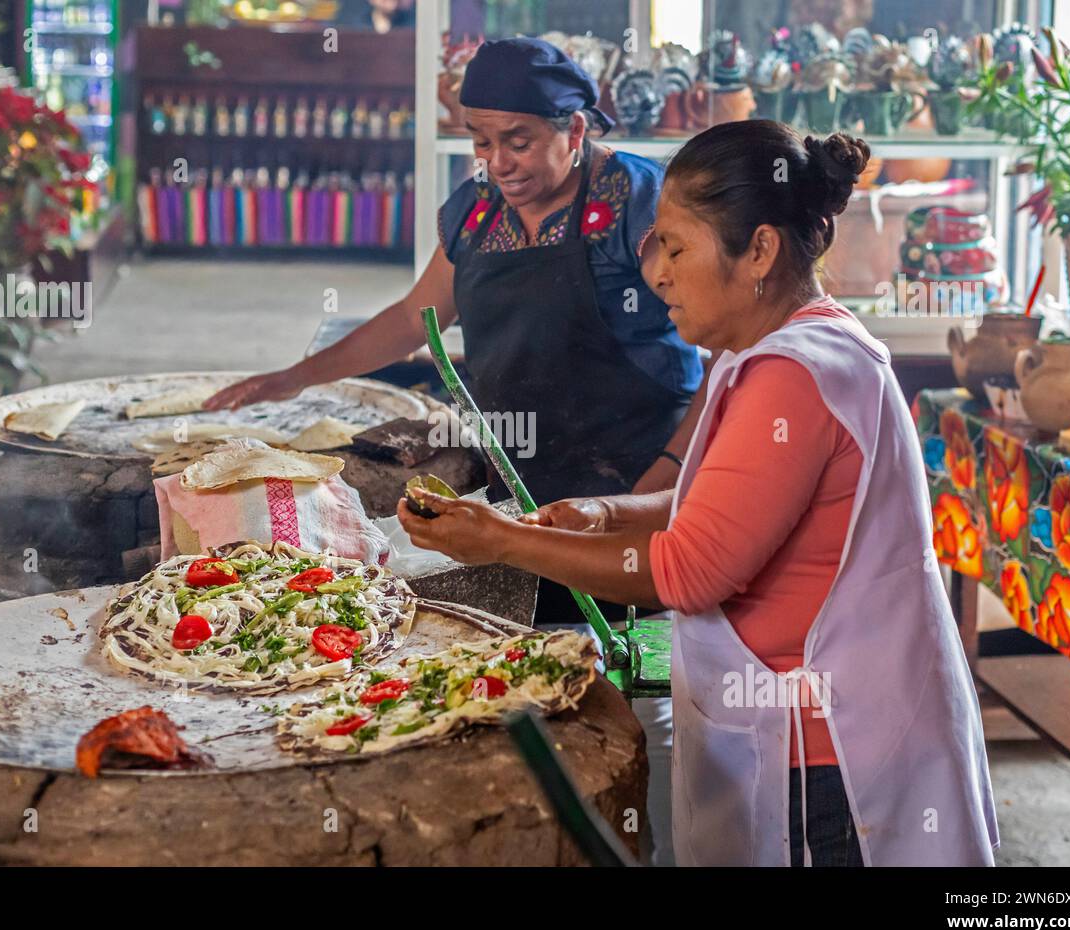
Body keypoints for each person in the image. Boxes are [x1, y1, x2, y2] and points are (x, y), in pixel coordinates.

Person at [395, 120, 999, 866]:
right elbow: (714, 504)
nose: (658, 274)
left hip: (829, 757)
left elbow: (688, 569)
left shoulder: (792, 377)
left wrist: (502, 541)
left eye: (677, 247)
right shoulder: (787, 349)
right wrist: (606, 512)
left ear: (761, 253)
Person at [206, 37, 704, 508]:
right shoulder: (477, 210)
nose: (498, 163)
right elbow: (412, 320)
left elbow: (727, 336)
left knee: (622, 601)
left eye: (518, 142)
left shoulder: (635, 202)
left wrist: (672, 464)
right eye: (482, 141)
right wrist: (297, 377)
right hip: (521, 465)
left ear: (574, 130)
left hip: (638, 470)